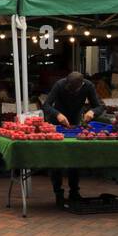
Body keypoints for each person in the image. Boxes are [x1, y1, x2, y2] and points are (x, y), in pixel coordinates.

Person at [42, 70, 103, 208]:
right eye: (69, 88)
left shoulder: (88, 86)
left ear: (81, 85)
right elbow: (46, 105)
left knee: (74, 157)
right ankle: (58, 193)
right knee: (56, 158)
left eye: (74, 90)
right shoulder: (59, 85)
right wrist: (57, 114)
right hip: (57, 122)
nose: (71, 92)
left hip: (75, 122)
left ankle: (74, 192)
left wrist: (92, 112)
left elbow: (99, 106)